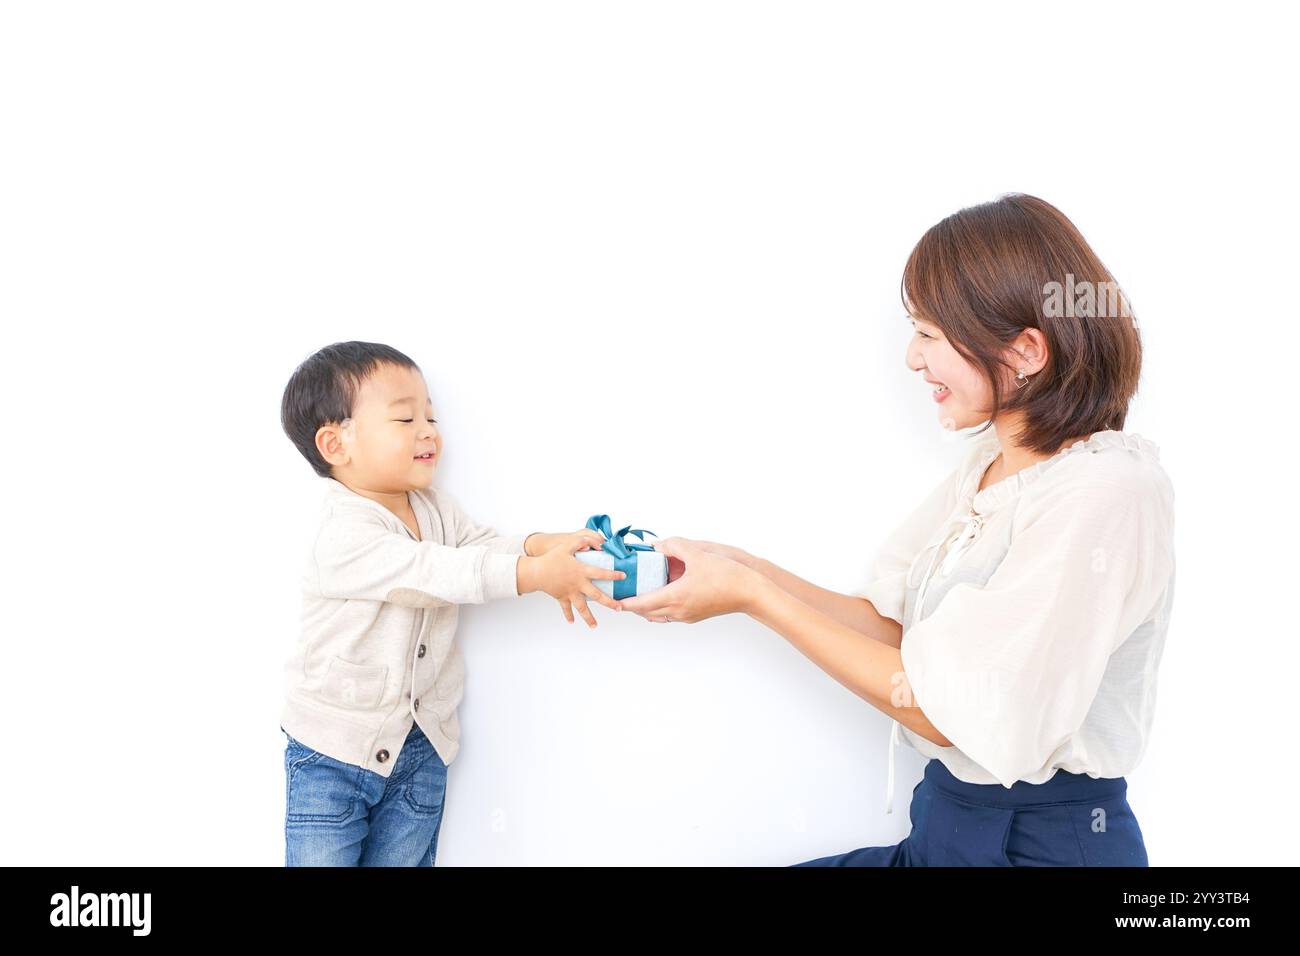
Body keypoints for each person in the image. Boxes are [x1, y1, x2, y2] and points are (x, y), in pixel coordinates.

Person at [619, 194, 1175, 866]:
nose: (913, 358)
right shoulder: (991, 469)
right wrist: (738, 565)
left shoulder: (1106, 491)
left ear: (1026, 349)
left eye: (930, 333)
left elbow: (959, 711)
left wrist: (750, 596)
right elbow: (893, 630)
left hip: (1039, 845)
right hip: (947, 831)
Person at [277, 341, 626, 865]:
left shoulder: (435, 505)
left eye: (431, 416)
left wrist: (540, 545)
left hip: (421, 747)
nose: (428, 431)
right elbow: (437, 573)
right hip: (333, 751)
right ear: (335, 444)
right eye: (404, 418)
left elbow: (478, 548)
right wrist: (534, 575)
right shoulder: (343, 532)